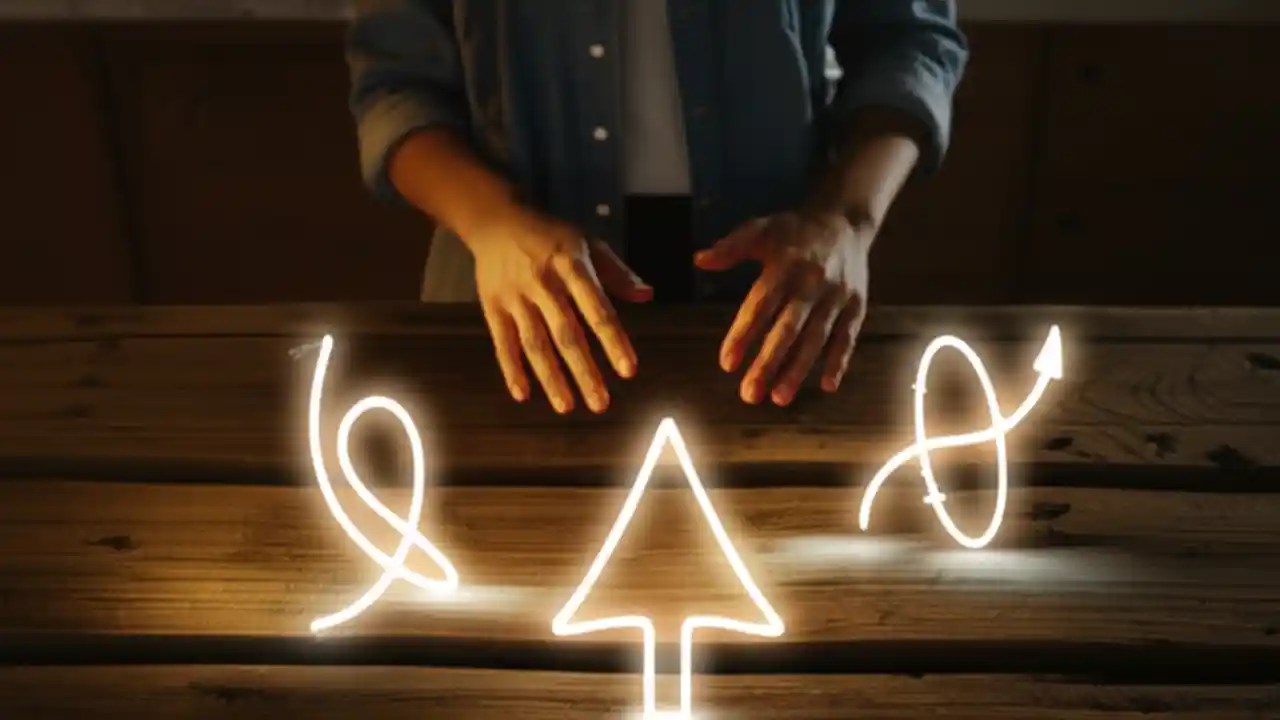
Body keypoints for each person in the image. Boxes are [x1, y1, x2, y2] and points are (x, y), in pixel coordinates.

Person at [347, 0, 968, 415]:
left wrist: (846, 221)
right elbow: (398, 88)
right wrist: (491, 224)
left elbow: (907, 42)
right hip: (517, 296)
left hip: (778, 293)